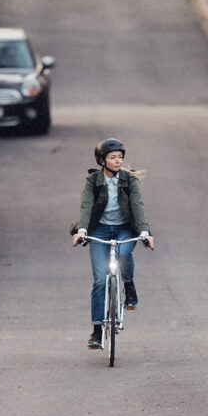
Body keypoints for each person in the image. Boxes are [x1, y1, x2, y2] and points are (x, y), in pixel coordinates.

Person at [71, 138, 155, 350]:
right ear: (102, 161)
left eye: (120, 157)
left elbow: (137, 206)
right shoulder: (92, 181)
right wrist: (81, 230)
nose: (118, 161)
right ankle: (97, 331)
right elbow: (86, 205)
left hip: (124, 229)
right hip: (99, 229)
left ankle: (128, 285)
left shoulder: (129, 180)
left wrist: (144, 232)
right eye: (112, 158)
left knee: (123, 254)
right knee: (100, 280)